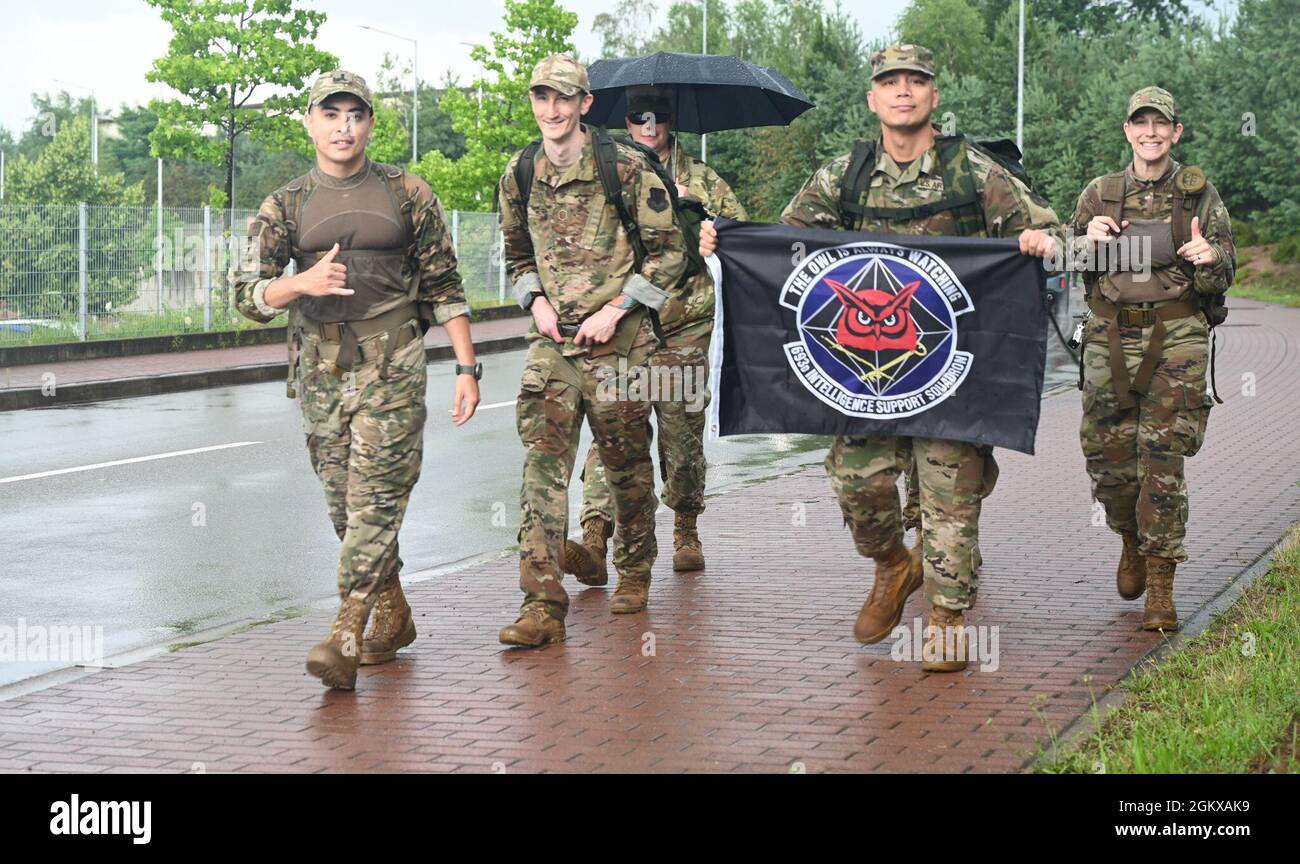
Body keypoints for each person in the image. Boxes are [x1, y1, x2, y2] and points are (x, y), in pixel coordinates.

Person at [699, 44, 1060, 671]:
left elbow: (1045, 231)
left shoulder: (973, 172)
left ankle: (948, 622)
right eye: (889, 83)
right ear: (872, 98)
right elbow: (789, 246)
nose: (902, 92)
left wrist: (1037, 238)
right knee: (857, 485)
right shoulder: (845, 175)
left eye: (915, 82)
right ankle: (894, 565)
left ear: (933, 96)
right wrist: (728, 241)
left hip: (951, 371)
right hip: (863, 376)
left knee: (950, 497)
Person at [233, 70, 480, 689]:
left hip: (393, 363)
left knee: (376, 500)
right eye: (331, 113)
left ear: (370, 122)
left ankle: (345, 631)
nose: (344, 126)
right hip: (318, 368)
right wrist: (299, 284)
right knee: (346, 507)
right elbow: (244, 293)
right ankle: (392, 612)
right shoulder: (284, 204)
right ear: (310, 121)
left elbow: (446, 285)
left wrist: (467, 367)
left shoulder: (408, 194)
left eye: (356, 114)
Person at [496, 55, 689, 647]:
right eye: (541, 98)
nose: (551, 110)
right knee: (541, 472)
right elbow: (516, 252)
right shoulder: (520, 171)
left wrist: (617, 309)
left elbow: (670, 251)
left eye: (564, 98)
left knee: (626, 466)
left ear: (585, 104)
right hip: (553, 344)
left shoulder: (625, 166)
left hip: (620, 346)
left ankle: (633, 569)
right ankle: (541, 603)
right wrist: (536, 304)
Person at [566, 84, 748, 582]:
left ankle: (686, 525)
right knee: (612, 433)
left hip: (682, 326)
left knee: (682, 440)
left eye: (658, 115)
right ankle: (596, 539)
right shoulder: (608, 176)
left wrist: (704, 216)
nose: (648, 125)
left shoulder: (703, 179)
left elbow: (741, 239)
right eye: (637, 116)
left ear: (673, 120)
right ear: (624, 122)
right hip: (621, 326)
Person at [1070, 86, 1234, 631]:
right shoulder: (1099, 192)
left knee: (1161, 457)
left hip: (1178, 333)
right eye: (1140, 123)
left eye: (1160, 124)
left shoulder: (1200, 195)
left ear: (1175, 132)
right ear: (1127, 131)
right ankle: (1130, 539)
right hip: (1109, 335)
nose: (1150, 133)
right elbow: (1067, 262)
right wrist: (1084, 241)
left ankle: (1161, 585)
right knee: (1109, 463)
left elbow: (1226, 267)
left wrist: (1210, 257)